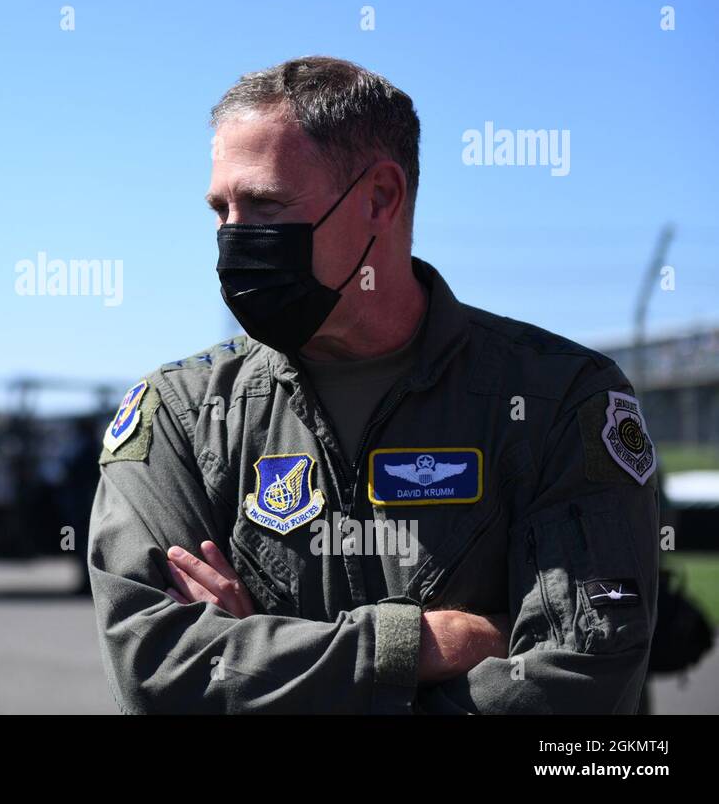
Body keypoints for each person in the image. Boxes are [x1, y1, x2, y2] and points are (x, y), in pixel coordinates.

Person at [88, 56, 660, 713]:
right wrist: (415, 647)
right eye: (222, 209)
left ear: (381, 198)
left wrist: (259, 662)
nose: (234, 239)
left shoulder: (559, 400)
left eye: (267, 204)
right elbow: (157, 674)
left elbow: (580, 680)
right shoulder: (181, 414)